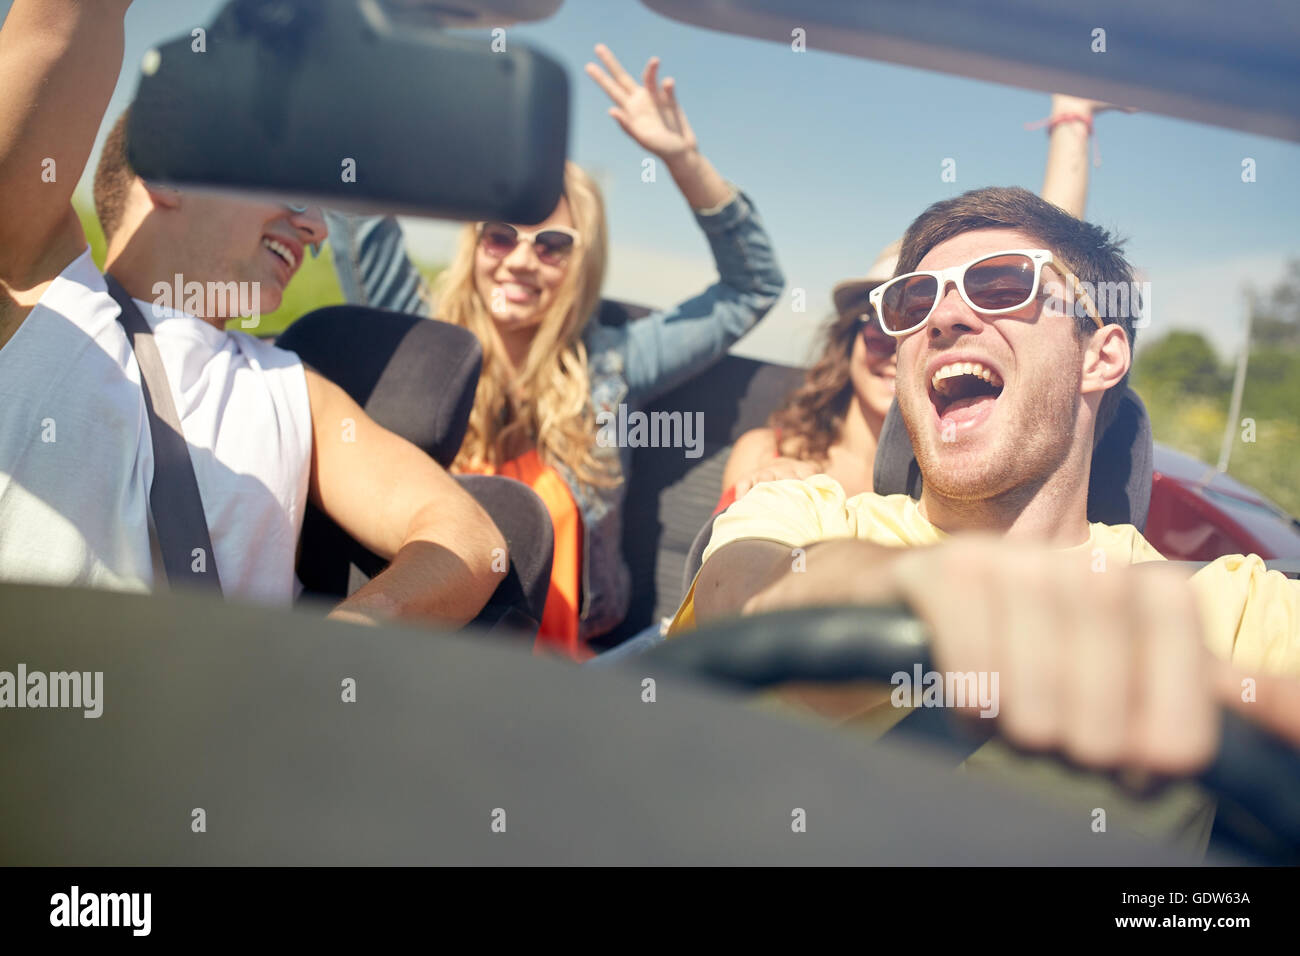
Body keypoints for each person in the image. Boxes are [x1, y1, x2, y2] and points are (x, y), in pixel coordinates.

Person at [670, 186, 1300, 851]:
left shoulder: (1231, 606)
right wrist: (920, 590)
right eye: (914, 302)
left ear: (1102, 355)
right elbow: (740, 594)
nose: (942, 317)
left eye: (1002, 285)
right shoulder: (802, 514)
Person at [0, 0, 505, 628]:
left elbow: (469, 540)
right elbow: (66, 19)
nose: (317, 227)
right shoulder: (35, 292)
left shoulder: (293, 388)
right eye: (292, 179)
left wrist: (342, 642)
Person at [325, 45, 784, 657]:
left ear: (580, 265)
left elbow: (751, 287)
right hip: (420, 655)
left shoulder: (614, 366)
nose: (520, 259)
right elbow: (355, 214)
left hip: (563, 670)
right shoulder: (418, 337)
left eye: (553, 246)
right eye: (500, 236)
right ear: (475, 243)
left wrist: (682, 160)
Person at [720, 95, 1131, 506]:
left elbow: (1056, 275)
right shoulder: (767, 457)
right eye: (898, 314)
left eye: (994, 294)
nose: (936, 323)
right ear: (849, 340)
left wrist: (1071, 123)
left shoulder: (955, 475)